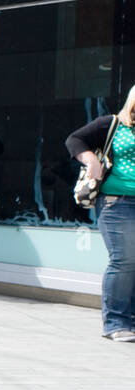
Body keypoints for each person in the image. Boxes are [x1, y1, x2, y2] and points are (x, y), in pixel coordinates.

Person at [67, 84, 135, 341]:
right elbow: (74, 140)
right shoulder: (113, 124)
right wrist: (91, 160)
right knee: (124, 260)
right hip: (118, 203)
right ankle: (116, 323)